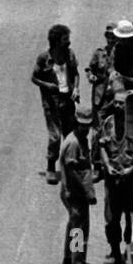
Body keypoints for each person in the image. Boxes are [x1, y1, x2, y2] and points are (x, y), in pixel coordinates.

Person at [93, 90, 133, 264]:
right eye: (116, 102)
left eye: (122, 103)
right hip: (112, 181)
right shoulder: (108, 124)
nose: (118, 106)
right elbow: (102, 147)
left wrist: (130, 169)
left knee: (131, 217)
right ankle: (114, 252)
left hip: (130, 181)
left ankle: (129, 251)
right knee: (111, 217)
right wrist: (106, 166)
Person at [32, 24, 80, 184]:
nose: (69, 43)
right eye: (65, 40)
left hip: (67, 100)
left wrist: (77, 89)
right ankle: (51, 167)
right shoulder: (44, 59)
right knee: (54, 137)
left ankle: (69, 166)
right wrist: (48, 86)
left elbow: (76, 74)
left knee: (69, 134)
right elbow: (34, 78)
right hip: (52, 103)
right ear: (56, 42)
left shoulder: (70, 55)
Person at [59, 102, 99, 264]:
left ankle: (69, 260)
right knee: (79, 229)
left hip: (75, 191)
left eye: (87, 126)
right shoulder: (74, 143)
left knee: (74, 226)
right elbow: (74, 172)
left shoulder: (78, 139)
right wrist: (88, 192)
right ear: (77, 123)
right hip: (75, 192)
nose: (86, 129)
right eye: (83, 126)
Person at [85, 23, 116, 118]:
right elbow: (89, 69)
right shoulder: (99, 52)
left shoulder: (121, 52)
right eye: (108, 36)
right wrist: (90, 76)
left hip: (115, 93)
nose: (110, 40)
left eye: (113, 37)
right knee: (98, 120)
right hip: (100, 93)